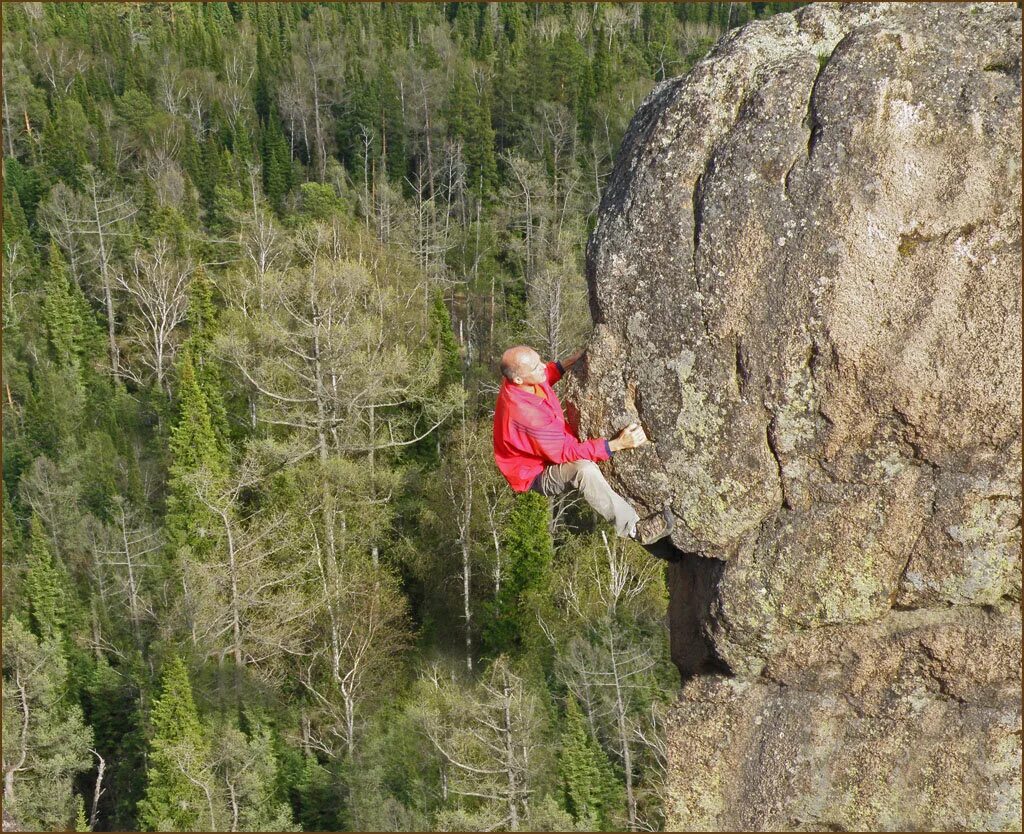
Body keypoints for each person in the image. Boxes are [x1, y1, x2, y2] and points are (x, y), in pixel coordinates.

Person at [493, 344, 674, 545]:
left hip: (549, 448)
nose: (543, 367)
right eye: (536, 367)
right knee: (584, 470)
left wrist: (564, 364)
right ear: (518, 379)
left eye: (540, 361)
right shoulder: (526, 414)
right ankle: (634, 529)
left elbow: (543, 378)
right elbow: (565, 453)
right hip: (537, 472)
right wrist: (616, 444)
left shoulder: (521, 381)